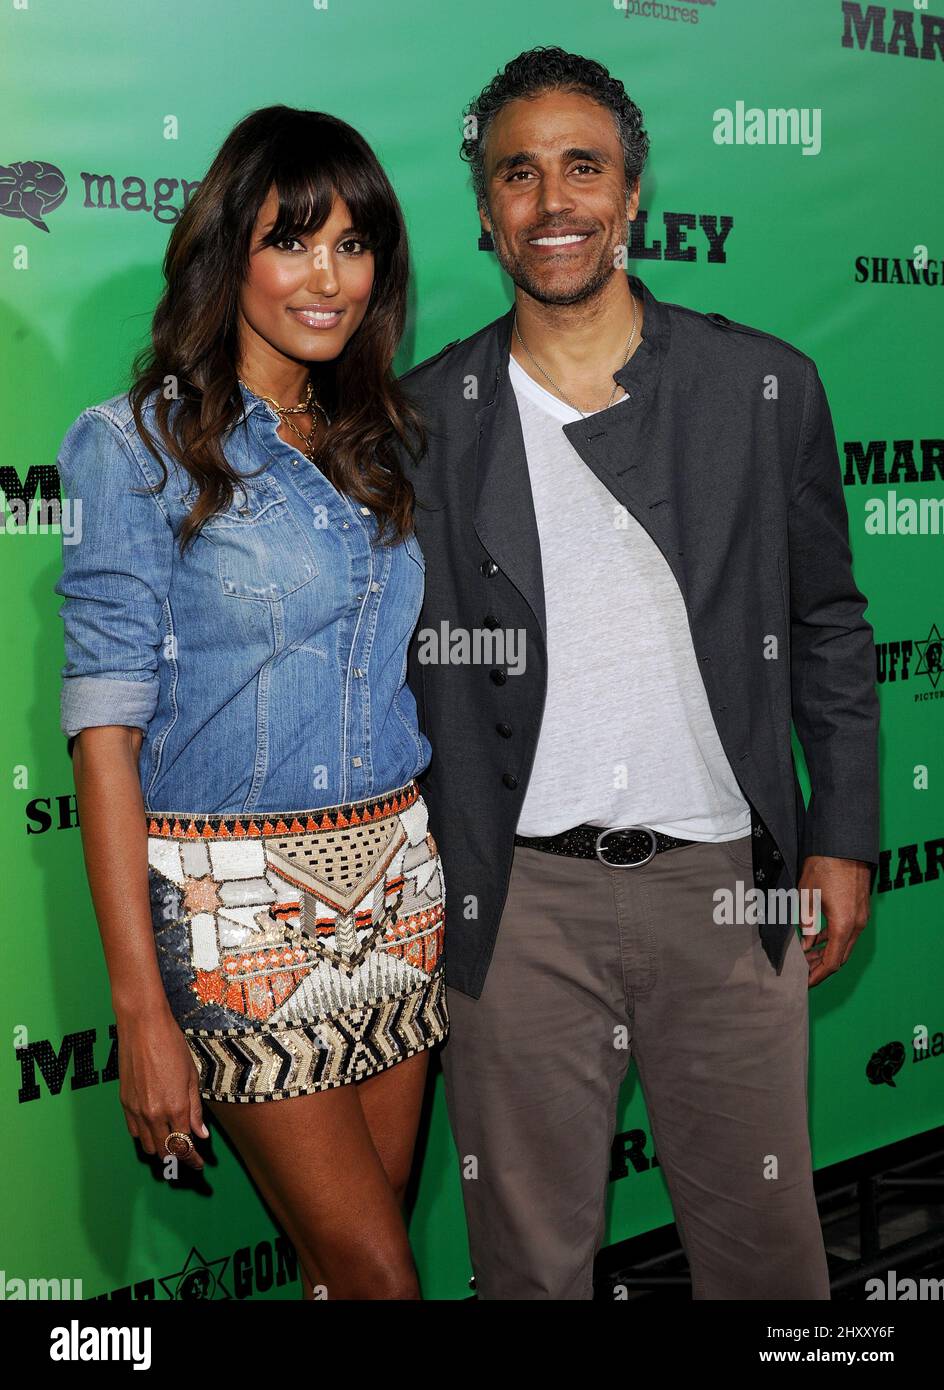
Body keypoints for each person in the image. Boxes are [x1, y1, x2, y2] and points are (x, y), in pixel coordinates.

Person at [399, 47, 879, 1300]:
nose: (551, 201)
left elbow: (826, 622)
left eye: (581, 167)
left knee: (767, 1265)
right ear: (486, 206)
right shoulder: (420, 421)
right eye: (517, 173)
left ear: (629, 191)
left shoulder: (759, 387)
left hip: (722, 891)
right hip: (514, 908)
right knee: (527, 1270)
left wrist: (841, 836)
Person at [54, 105, 447, 1301]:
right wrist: (141, 1010)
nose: (328, 277)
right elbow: (105, 738)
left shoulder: (376, 437)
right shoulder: (131, 448)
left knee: (348, 1270)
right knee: (380, 1279)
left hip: (397, 888)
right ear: (230, 251)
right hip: (232, 918)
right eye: (292, 240)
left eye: (353, 244)